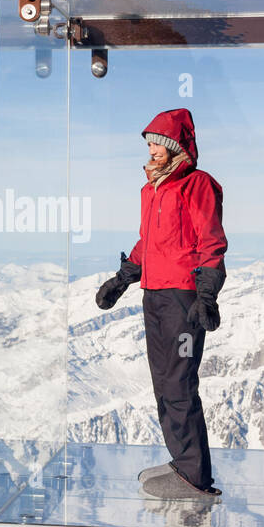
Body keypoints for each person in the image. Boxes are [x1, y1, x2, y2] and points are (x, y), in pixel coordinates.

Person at [95, 108, 227, 502]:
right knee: (163, 384)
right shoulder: (151, 189)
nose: (151, 149)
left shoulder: (197, 185)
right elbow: (147, 241)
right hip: (153, 295)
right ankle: (182, 462)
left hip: (182, 297)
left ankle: (195, 479)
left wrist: (207, 293)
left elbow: (211, 240)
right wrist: (123, 278)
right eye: (149, 143)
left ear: (174, 148)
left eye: (158, 143)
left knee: (180, 383)